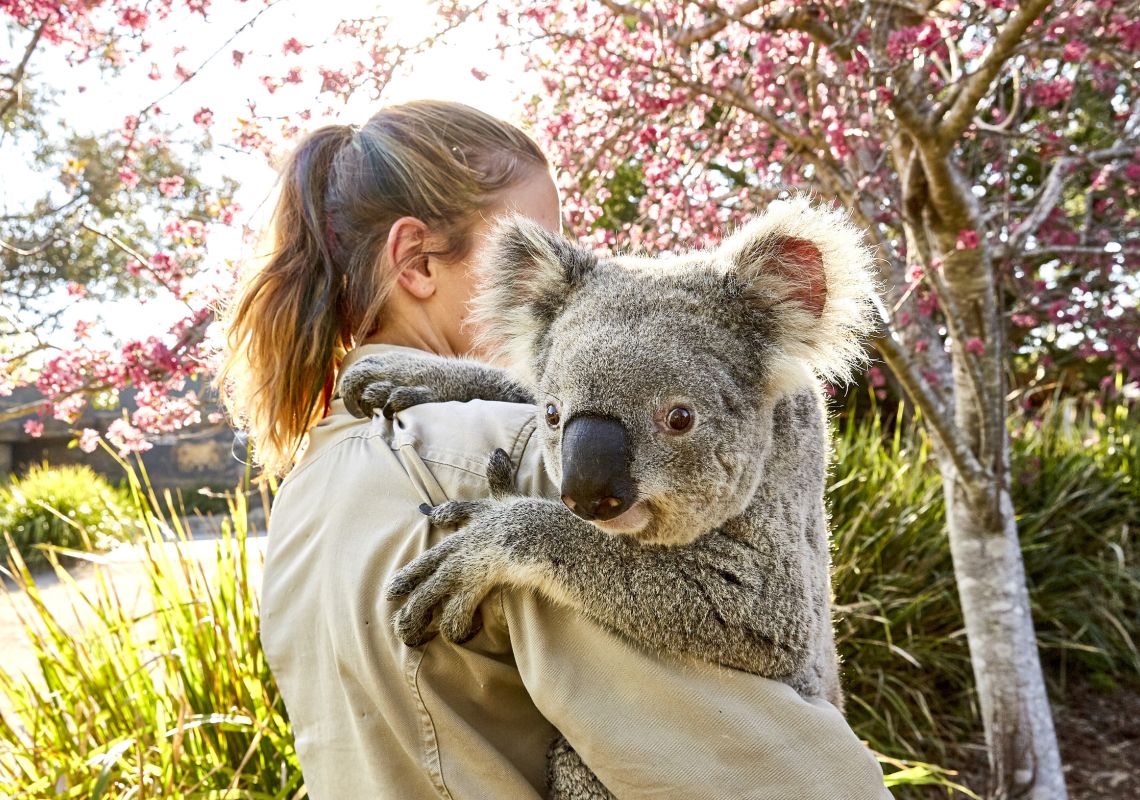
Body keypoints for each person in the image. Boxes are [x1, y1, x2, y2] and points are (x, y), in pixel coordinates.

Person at [218, 99, 889, 799]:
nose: (569, 275)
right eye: (535, 240)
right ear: (417, 262)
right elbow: (773, 774)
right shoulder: (504, 469)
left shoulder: (306, 486)